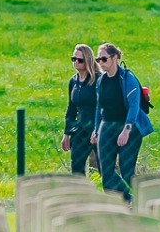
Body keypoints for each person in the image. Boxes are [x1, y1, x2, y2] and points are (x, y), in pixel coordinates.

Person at [92, 42, 153, 201]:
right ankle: (127, 201)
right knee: (106, 173)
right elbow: (99, 107)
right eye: (99, 59)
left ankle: (147, 199)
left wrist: (126, 130)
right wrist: (96, 130)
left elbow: (133, 106)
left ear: (114, 57)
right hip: (107, 126)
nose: (101, 63)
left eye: (104, 59)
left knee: (127, 171)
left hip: (129, 127)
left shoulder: (127, 78)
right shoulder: (101, 80)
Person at [61, 44, 101, 176]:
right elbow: (71, 109)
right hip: (80, 130)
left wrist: (97, 129)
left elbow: (104, 106)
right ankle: (81, 195)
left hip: (98, 129)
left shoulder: (98, 80)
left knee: (105, 170)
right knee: (76, 168)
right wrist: (66, 134)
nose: (76, 63)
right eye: (74, 59)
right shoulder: (73, 81)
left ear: (88, 60)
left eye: (80, 60)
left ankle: (122, 195)